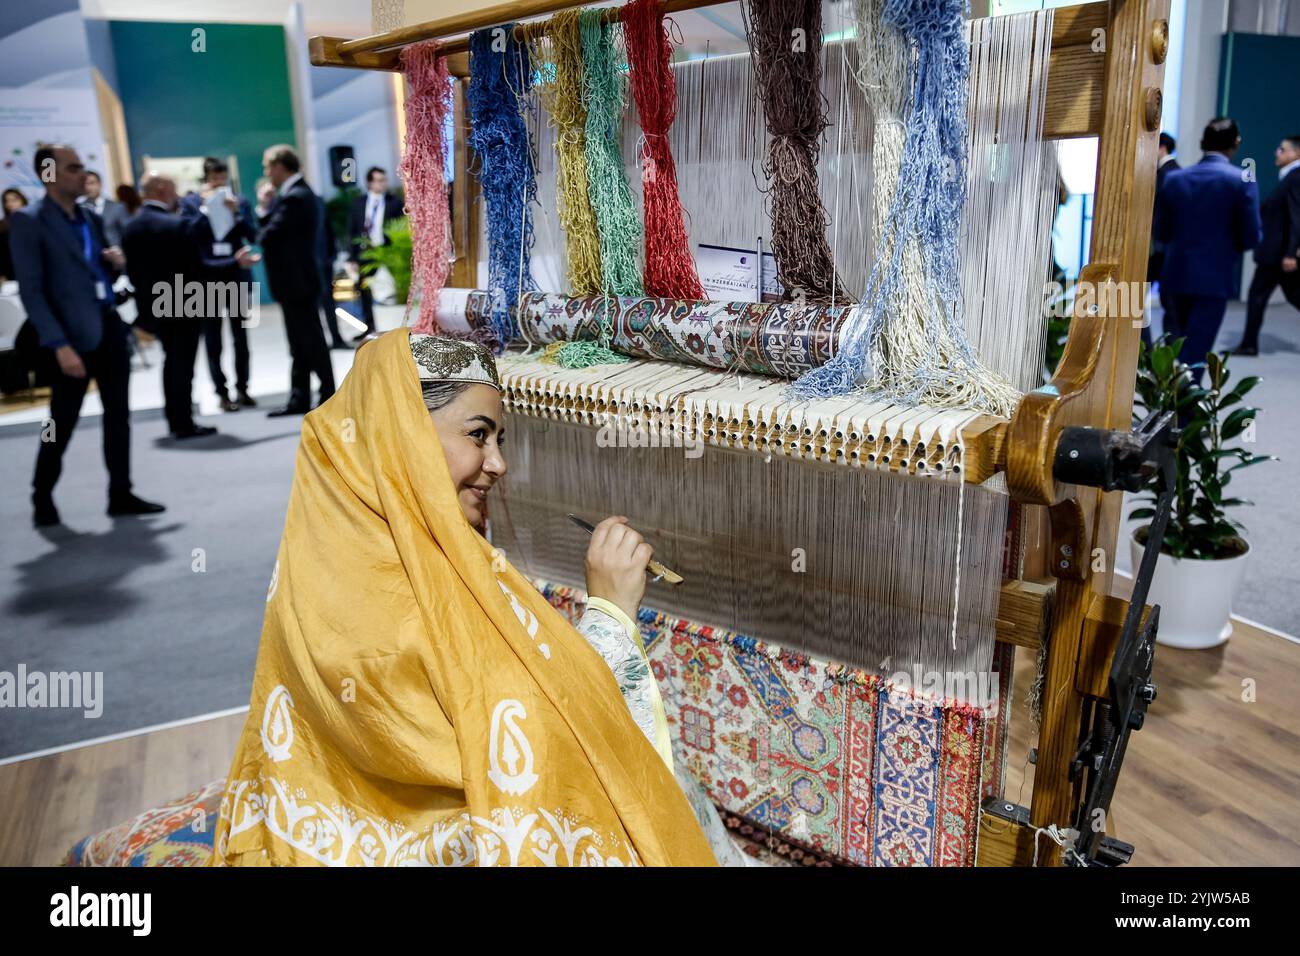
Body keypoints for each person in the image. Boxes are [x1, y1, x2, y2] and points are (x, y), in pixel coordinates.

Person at [208, 330, 750, 867]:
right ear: (402, 433)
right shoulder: (387, 590)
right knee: (655, 791)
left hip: (349, 823)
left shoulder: (354, 539)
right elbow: (537, 747)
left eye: (500, 440)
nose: (498, 464)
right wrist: (609, 614)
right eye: (478, 435)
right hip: (431, 844)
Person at [9, 144, 164, 525]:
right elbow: (32, 290)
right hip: (69, 340)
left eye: (82, 166)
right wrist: (58, 345)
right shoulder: (29, 221)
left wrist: (115, 264)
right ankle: (41, 494)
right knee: (57, 423)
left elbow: (96, 273)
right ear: (49, 174)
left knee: (118, 417)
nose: (83, 173)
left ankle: (121, 493)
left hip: (109, 327)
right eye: (73, 167)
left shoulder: (89, 218)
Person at [1153, 117, 1262, 378]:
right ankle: (1185, 416)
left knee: (1173, 351)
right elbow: (1251, 237)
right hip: (1213, 280)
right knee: (1196, 356)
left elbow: (1160, 232)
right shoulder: (1242, 180)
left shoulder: (1175, 179)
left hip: (1175, 275)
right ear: (1235, 144)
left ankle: (1168, 410)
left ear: (1203, 142)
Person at [122, 172, 217, 439]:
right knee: (183, 365)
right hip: (185, 305)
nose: (177, 195)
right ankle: (184, 422)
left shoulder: (131, 226)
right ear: (162, 188)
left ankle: (175, 420)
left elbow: (133, 273)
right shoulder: (176, 226)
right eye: (174, 188)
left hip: (153, 308)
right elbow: (198, 269)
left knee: (170, 362)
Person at [256, 144, 335, 417]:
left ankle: (327, 395)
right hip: (298, 282)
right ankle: (300, 397)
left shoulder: (296, 197)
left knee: (310, 341)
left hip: (297, 283)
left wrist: (262, 208)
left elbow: (267, 236)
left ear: (280, 166)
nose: (267, 173)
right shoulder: (299, 194)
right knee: (301, 342)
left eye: (268, 167)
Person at [180, 157, 260, 411]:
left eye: (222, 178)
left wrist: (235, 212)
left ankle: (243, 389)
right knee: (213, 339)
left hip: (236, 276)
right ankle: (222, 393)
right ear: (206, 178)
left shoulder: (240, 202)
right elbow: (188, 234)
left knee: (241, 337)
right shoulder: (191, 203)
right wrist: (206, 209)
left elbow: (253, 234)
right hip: (207, 279)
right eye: (214, 178)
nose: (218, 183)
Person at [1233, 134, 1300, 356]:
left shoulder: (1295, 178)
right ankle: (1249, 343)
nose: (1277, 152)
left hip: (1278, 254)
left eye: (1282, 149)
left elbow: (1296, 217)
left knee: (1257, 295)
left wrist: (1291, 253)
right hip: (1278, 253)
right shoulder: (1290, 177)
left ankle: (1249, 344)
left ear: (1296, 153)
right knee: (1292, 295)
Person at [347, 167, 404, 339]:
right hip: (365, 252)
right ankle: (369, 327)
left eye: (384, 180)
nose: (382, 184)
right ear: (370, 182)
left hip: (386, 252)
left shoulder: (395, 202)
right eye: (378, 180)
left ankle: (389, 327)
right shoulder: (359, 202)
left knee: (388, 288)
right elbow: (352, 230)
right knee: (364, 290)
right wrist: (352, 257)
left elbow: (399, 228)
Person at [1145, 132, 1179, 346]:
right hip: (1165, 246)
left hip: (1158, 246)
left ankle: (1151, 349)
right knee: (1169, 300)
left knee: (1138, 297)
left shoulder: (1167, 174)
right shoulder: (1174, 172)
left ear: (1162, 147)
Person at [79, 171, 130, 247]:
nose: (89, 187)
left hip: (115, 254)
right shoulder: (79, 209)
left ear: (100, 184)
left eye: (92, 183)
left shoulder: (117, 208)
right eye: (85, 184)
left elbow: (127, 234)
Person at [1, 187, 29, 280]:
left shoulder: (35, 223)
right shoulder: (2, 226)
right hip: (11, 278)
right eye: (6, 201)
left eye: (14, 200)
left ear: (22, 201)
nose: (10, 204)